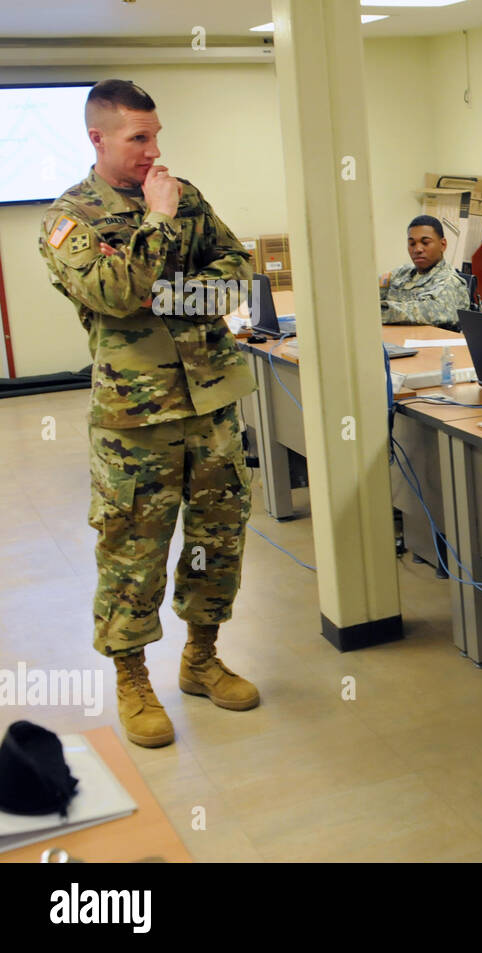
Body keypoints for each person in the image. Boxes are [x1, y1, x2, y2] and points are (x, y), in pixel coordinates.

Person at [39, 79, 261, 749]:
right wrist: (159, 226)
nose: (154, 150)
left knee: (218, 536)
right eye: (139, 138)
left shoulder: (185, 194)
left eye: (157, 134)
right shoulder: (69, 219)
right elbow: (114, 293)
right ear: (97, 138)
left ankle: (202, 658)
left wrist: (170, 292)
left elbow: (239, 268)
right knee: (133, 552)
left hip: (212, 403)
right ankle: (133, 679)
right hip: (135, 418)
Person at [379, 215, 469, 329]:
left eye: (425, 242)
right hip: (392, 341)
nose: (417, 249)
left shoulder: (450, 282)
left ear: (443, 245)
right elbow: (368, 295)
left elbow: (426, 312)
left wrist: (375, 310)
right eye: (412, 244)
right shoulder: (401, 273)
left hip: (431, 345)